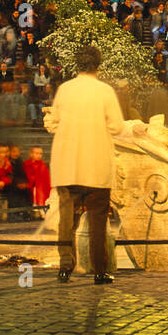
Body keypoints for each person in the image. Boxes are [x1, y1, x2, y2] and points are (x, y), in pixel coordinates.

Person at [45, 44, 123, 285]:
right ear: (98, 65)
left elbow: (54, 122)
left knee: (66, 220)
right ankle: (100, 270)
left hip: (67, 164)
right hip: (96, 164)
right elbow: (117, 126)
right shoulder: (104, 91)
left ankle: (65, 267)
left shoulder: (65, 90)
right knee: (98, 220)